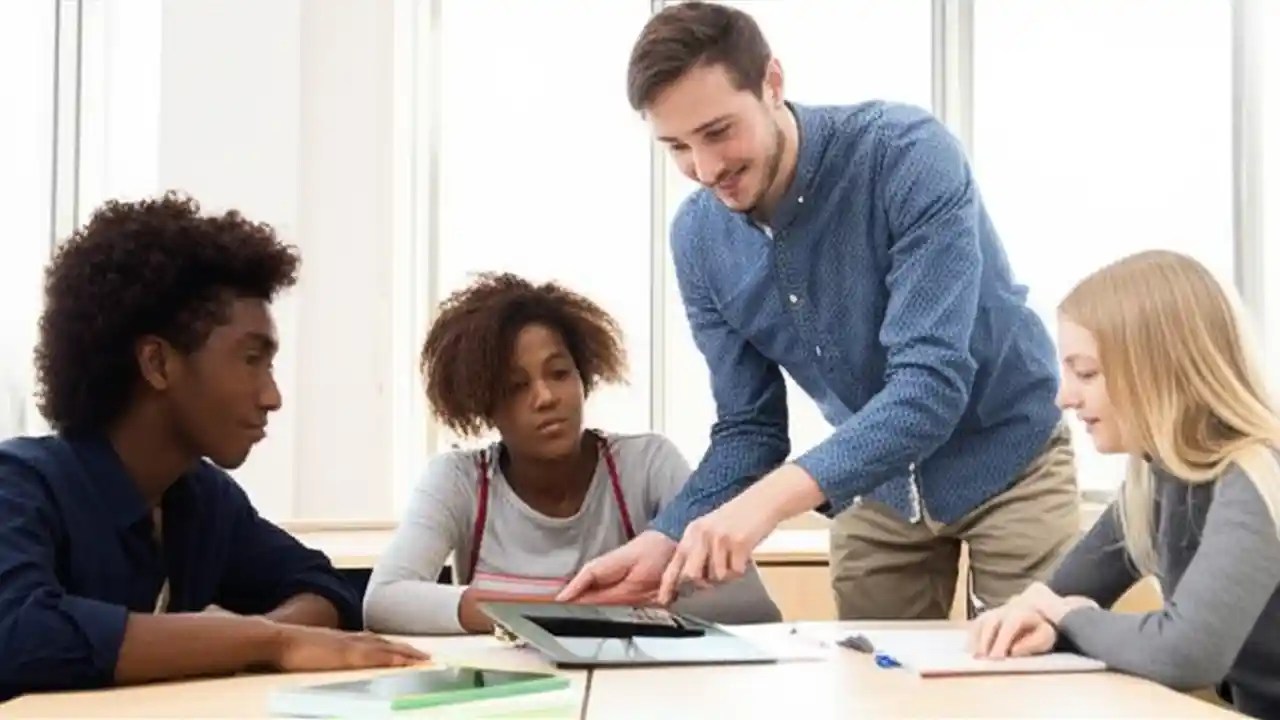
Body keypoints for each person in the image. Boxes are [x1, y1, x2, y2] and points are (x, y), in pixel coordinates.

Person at [560, 2, 1078, 618]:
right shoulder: (697, 240)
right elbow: (750, 430)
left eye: (720, 131)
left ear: (772, 83)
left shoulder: (905, 155)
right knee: (876, 691)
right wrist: (665, 535)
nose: (705, 170)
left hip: (1006, 453)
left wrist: (766, 505)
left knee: (1029, 681)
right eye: (676, 146)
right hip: (875, 483)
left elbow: (929, 387)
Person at [0, 193, 427, 700]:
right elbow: (20, 636)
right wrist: (266, 643)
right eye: (252, 360)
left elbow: (322, 587)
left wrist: (275, 638)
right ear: (158, 364)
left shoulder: (201, 499)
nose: (272, 396)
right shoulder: (20, 484)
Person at [363, 273, 779, 634]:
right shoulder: (459, 481)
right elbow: (384, 600)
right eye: (515, 387)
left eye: (559, 374)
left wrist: (607, 609)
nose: (546, 397)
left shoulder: (648, 464)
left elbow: (750, 608)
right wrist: (562, 610)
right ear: (483, 405)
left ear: (584, 376)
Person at [969, 250, 1280, 718]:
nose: (1065, 397)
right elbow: (1052, 597)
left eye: (1087, 372)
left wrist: (1068, 618)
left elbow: (1185, 653)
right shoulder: (1154, 479)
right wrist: (1049, 620)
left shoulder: (1258, 473)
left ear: (1160, 368)